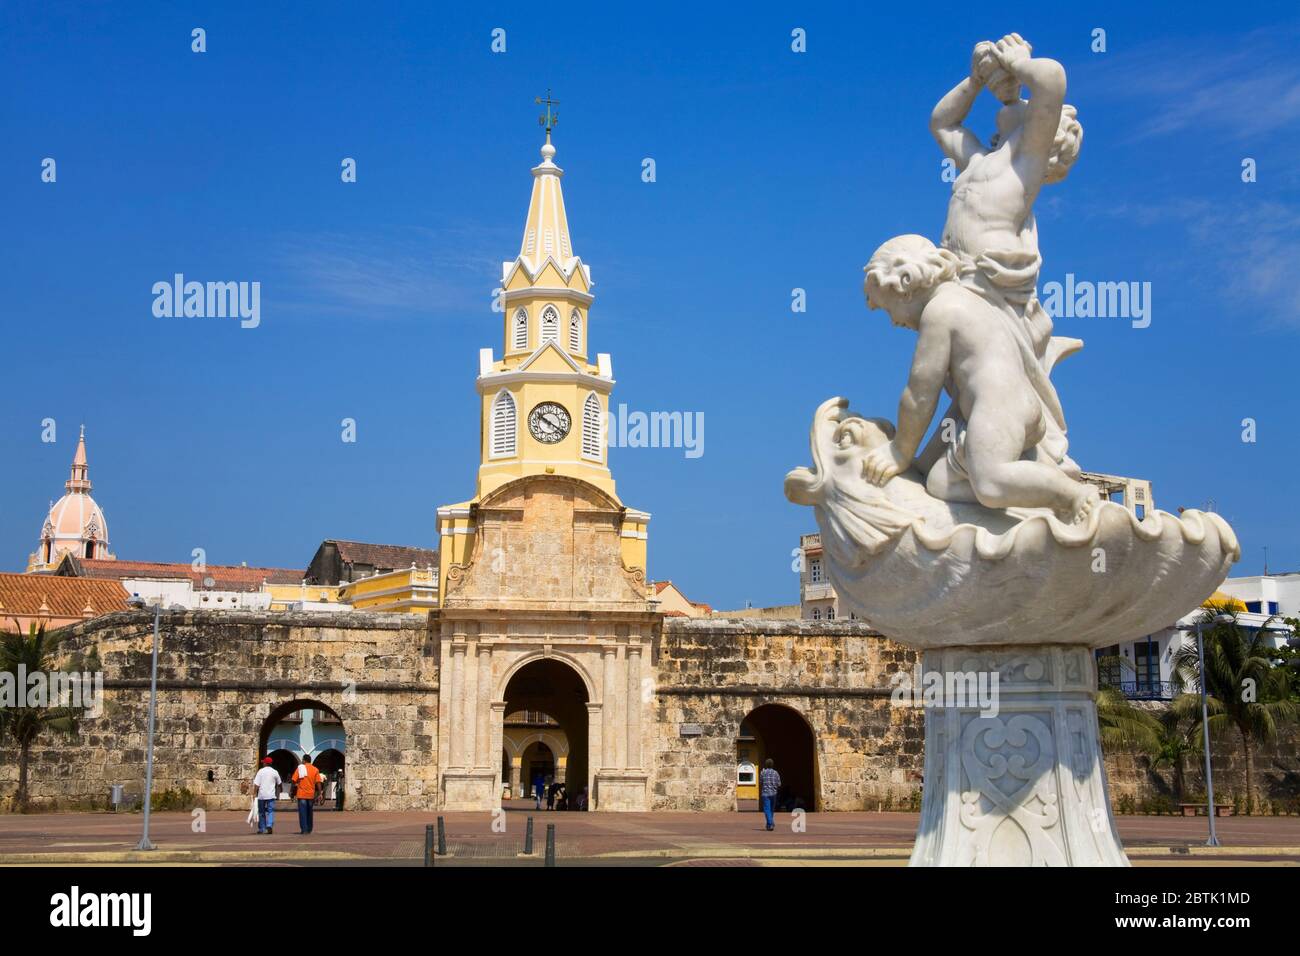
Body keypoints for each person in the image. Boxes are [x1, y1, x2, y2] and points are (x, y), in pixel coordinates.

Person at [862, 234, 1095, 523]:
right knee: (938, 483)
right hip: (1003, 409)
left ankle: (1071, 495)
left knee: (989, 483)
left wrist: (900, 451)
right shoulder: (968, 301)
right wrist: (921, 463)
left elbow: (920, 395)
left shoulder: (939, 312)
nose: (894, 322)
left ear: (905, 285)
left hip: (1000, 409)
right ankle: (1030, 502)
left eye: (889, 309)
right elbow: (957, 408)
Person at [291, 753, 324, 835]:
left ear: (304, 760)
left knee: (302, 813)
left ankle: (304, 829)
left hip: (301, 794)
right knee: (310, 812)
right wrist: (320, 793)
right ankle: (309, 828)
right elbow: (318, 782)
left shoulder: (300, 768)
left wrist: (292, 790)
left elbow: (293, 780)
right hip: (311, 794)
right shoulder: (315, 769)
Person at [252, 757, 281, 835]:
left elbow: (256, 784)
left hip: (262, 795)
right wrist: (279, 792)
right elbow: (279, 783)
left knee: (261, 812)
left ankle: (262, 828)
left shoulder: (260, 771)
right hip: (271, 795)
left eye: (263, 762)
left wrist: (254, 794)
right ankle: (269, 825)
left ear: (265, 763)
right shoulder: (275, 772)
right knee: (270, 811)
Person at [759, 758, 781, 831]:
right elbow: (779, 784)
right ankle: (769, 825)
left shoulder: (763, 773)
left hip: (765, 793)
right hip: (774, 793)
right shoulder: (776, 773)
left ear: (766, 765)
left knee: (767, 809)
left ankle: (770, 823)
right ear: (772, 765)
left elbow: (760, 782)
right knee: (771, 810)